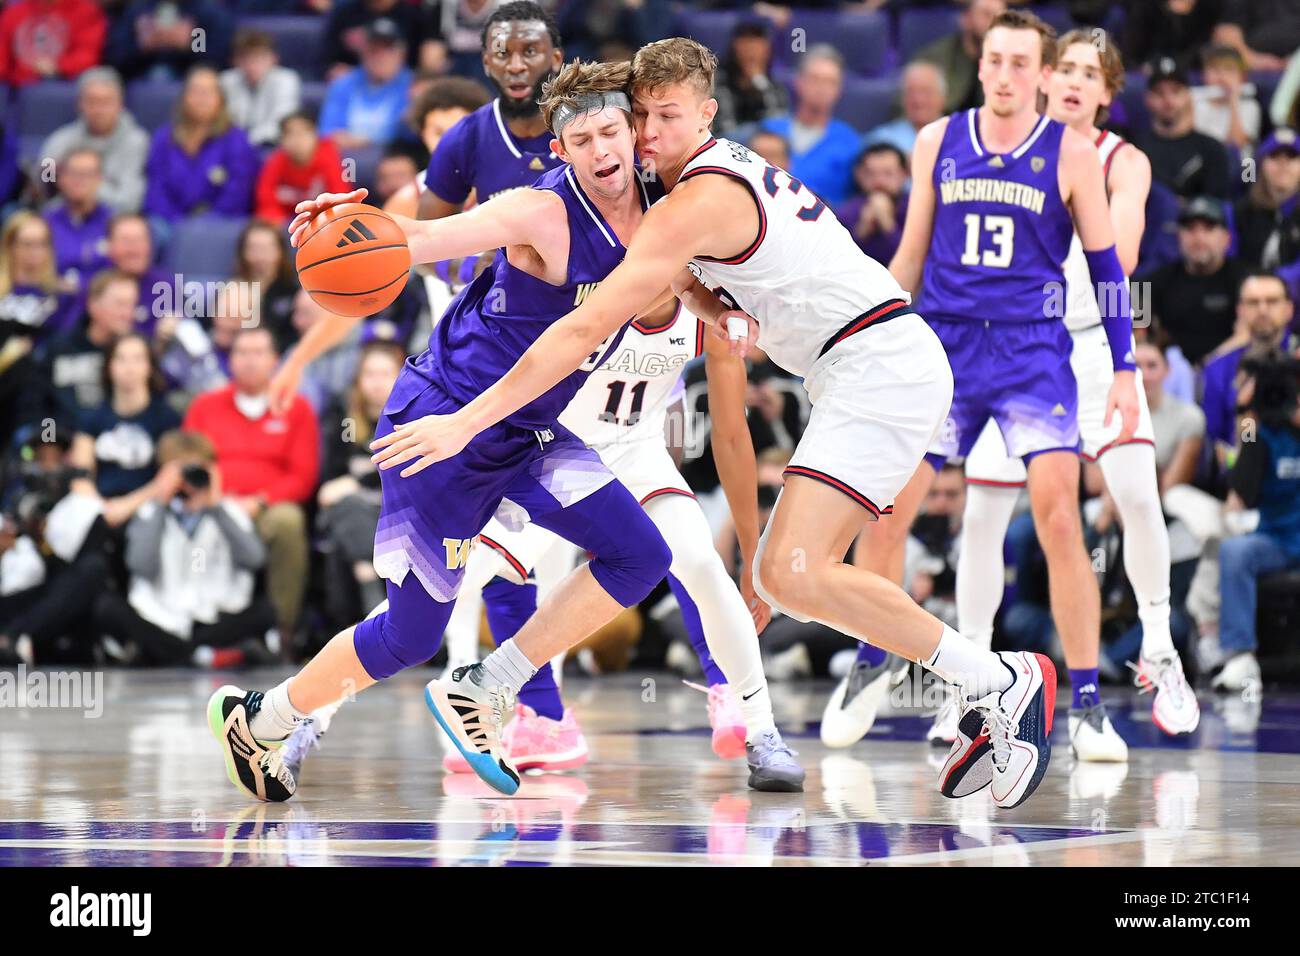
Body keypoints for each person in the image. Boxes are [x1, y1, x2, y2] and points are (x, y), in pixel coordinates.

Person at [361, 37, 1059, 811]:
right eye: (643, 117)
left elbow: (580, 331)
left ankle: (998, 680)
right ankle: (980, 685)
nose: (650, 134)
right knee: (780, 574)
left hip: (878, 365)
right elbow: (679, 269)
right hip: (860, 366)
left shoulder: (690, 202)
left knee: (789, 574)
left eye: (666, 117)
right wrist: (710, 303)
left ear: (706, 114)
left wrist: (465, 421)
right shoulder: (701, 182)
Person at [206, 57, 795, 804]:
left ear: (632, 133)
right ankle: (264, 717)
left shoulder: (657, 205)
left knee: (640, 553)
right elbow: (423, 238)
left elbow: (672, 277)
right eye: (580, 140)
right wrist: (344, 224)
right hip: (439, 423)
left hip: (526, 431)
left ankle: (489, 685)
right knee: (408, 637)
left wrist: (720, 314)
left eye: (610, 131)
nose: (600, 150)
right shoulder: (537, 211)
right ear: (560, 150)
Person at [866, 11, 1146, 786]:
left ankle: (1086, 699)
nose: (1007, 74)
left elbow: (1109, 273)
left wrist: (1123, 369)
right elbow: (907, 260)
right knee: (888, 505)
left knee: (1059, 513)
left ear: (1045, 74)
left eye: (1023, 62)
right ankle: (872, 658)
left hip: (1030, 351)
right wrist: (857, 336)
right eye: (995, 59)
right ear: (981, 65)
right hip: (947, 348)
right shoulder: (937, 141)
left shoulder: (1074, 154)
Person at [930, 30, 1199, 747]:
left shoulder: (1119, 160)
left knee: (1138, 495)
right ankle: (969, 677)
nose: (1077, 82)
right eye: (1068, 70)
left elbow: (1127, 253)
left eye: (1093, 74)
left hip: (1092, 346)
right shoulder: (996, 147)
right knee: (984, 516)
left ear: (1108, 95)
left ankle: (1157, 644)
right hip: (1017, 352)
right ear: (1046, 80)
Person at [92, 428, 278, 668]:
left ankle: (165, 654)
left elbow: (255, 559)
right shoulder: (150, 512)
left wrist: (216, 507)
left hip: (214, 616)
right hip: (161, 615)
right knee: (107, 607)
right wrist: (160, 501)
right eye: (182, 472)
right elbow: (141, 565)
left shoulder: (228, 511)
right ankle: (199, 655)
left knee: (265, 611)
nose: (189, 481)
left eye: (197, 471)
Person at [183, 325, 319, 644]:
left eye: (258, 353)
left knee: (288, 522)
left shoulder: (296, 407)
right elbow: (187, 462)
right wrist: (216, 500)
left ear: (274, 360)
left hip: (263, 509)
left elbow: (302, 475)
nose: (250, 361)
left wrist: (260, 501)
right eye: (242, 353)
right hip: (212, 506)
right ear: (230, 360)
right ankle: (191, 624)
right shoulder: (205, 406)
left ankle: (280, 629)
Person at [419, 2, 565, 221]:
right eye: (502, 53)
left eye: (530, 51)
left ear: (555, 59)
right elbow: (427, 240)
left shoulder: (587, 127)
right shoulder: (464, 139)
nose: (516, 66)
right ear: (487, 62)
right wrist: (471, 256)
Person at [1213, 346, 1300, 690]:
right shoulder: (1260, 433)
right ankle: (1240, 658)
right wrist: (1247, 415)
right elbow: (1239, 494)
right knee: (1234, 552)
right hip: (1276, 538)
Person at [314, 341, 406, 630]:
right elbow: (329, 484)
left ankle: (367, 576)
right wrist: (368, 476)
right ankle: (373, 590)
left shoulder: (412, 415)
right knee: (348, 508)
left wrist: (359, 478)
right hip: (357, 511)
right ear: (358, 379)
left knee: (352, 508)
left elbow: (404, 474)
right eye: (370, 374)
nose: (377, 382)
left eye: (385, 373)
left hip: (400, 509)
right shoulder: (343, 419)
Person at [69, 332, 181, 527]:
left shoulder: (168, 418)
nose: (129, 368)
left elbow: (172, 475)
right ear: (109, 366)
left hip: (150, 509)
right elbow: (81, 475)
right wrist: (100, 507)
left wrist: (127, 506)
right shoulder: (91, 418)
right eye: (121, 359)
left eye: (137, 359)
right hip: (100, 508)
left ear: (150, 367)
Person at [142, 65, 260, 224]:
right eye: (196, 91)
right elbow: (156, 191)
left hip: (220, 224)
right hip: (169, 225)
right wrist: (178, 223)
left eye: (209, 92)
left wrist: (202, 226)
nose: (202, 98)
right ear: (183, 98)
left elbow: (237, 194)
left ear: (221, 100)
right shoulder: (164, 138)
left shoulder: (236, 140)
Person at [1202, 272, 1298, 463]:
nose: (1262, 310)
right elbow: (1219, 449)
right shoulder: (1219, 369)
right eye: (1253, 302)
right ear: (1241, 310)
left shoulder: (1297, 358)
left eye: (1272, 301)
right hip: (1247, 468)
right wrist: (1244, 413)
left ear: (1289, 309)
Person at [1146, 196, 1248, 364]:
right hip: (1170, 374)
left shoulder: (1246, 281)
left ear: (1227, 238)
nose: (1199, 238)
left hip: (1230, 369)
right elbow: (1136, 335)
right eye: (1190, 228)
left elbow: (1252, 334)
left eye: (1208, 228)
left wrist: (1208, 366)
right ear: (1178, 236)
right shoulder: (1151, 281)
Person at [757, 46, 862, 207]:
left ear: (839, 90)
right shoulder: (769, 130)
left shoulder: (851, 142)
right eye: (815, 79)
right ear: (798, 82)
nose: (821, 88)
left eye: (830, 82)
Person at [38, 67, 149, 214]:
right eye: (91, 101)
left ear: (120, 104)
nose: (98, 110)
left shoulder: (137, 142)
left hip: (114, 220)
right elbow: (44, 177)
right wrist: (54, 178)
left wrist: (85, 186)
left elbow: (130, 201)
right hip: (66, 215)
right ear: (79, 104)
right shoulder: (62, 139)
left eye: (105, 102)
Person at [382, 77, 491, 220]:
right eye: (439, 133)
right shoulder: (406, 201)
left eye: (458, 131)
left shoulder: (509, 187)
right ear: (423, 135)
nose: (449, 142)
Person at [42, 268, 138, 417]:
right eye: (120, 304)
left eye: (132, 305)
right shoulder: (58, 348)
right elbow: (39, 402)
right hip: (60, 434)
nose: (128, 313)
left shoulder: (137, 354)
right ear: (93, 305)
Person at [1138, 57, 1232, 200]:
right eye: (1159, 93)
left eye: (1176, 91)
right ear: (1147, 99)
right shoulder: (1135, 149)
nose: (1168, 101)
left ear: (1188, 95)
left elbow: (1217, 205)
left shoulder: (1211, 149)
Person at [317, 18, 414, 151]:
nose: (380, 56)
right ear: (362, 52)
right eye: (374, 49)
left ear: (401, 54)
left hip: (393, 159)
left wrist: (367, 141)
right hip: (347, 159)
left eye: (387, 49)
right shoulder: (343, 83)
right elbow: (327, 132)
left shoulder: (412, 85)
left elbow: (410, 133)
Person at [253, 112, 349, 228]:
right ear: (281, 140)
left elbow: (341, 199)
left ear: (315, 135)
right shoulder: (276, 160)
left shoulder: (330, 157)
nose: (296, 140)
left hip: (323, 225)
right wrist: (279, 222)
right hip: (286, 227)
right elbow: (265, 200)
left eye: (302, 133)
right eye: (289, 134)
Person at [914, 0, 1006, 113]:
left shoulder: (1007, 62)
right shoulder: (936, 58)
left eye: (1000, 19)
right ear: (965, 19)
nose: (993, 24)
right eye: (986, 14)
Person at [107, 0, 233, 82]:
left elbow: (218, 61)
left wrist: (191, 45)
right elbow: (114, 58)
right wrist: (142, 47)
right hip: (141, 78)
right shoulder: (137, 10)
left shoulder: (206, 11)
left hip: (190, 79)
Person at [43, 148, 113, 294]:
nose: (79, 180)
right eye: (73, 173)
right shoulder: (44, 223)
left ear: (99, 179)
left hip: (101, 301)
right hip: (53, 298)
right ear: (61, 178)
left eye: (87, 174)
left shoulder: (113, 223)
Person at [220, 28, 302, 149]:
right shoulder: (225, 81)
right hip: (232, 148)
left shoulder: (287, 80)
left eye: (260, 57)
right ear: (236, 60)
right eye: (246, 58)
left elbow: (280, 124)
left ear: (274, 58)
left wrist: (245, 140)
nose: (252, 65)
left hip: (272, 147)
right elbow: (223, 123)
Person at [0, 0, 106, 87]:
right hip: (18, 86)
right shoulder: (14, 12)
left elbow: (87, 55)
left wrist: (58, 66)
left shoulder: (85, 11)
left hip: (65, 83)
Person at [1234, 129, 1300, 268]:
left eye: (1291, 156)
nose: (1283, 163)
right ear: (1260, 164)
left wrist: (1283, 280)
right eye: (1274, 156)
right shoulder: (1241, 212)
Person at [711, 18, 789, 135]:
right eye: (745, 43)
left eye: (756, 43)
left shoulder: (775, 86)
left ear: (768, 49)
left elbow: (780, 128)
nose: (751, 50)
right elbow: (724, 131)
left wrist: (760, 83)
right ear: (734, 47)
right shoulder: (718, 83)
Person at [834, 143, 909, 264]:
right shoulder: (846, 213)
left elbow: (913, 261)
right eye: (871, 174)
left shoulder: (915, 210)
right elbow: (838, 261)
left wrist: (888, 225)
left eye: (888, 173)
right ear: (859, 174)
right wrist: (862, 231)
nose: (879, 181)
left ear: (904, 174)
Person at [231, 220, 297, 354]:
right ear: (243, 252)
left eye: (267, 248)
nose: (260, 255)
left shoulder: (294, 293)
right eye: (253, 247)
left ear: (280, 251)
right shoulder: (231, 291)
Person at [863, 61, 947, 158]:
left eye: (926, 92)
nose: (918, 100)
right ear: (902, 99)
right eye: (911, 93)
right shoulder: (880, 141)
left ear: (942, 98)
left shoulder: (962, 139)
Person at [1191, 43, 1260, 151]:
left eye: (1229, 69)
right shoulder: (1195, 105)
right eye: (1214, 69)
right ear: (1203, 74)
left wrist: (1233, 100)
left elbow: (1235, 145)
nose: (1222, 76)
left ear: (1242, 76)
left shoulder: (1250, 107)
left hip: (1241, 166)